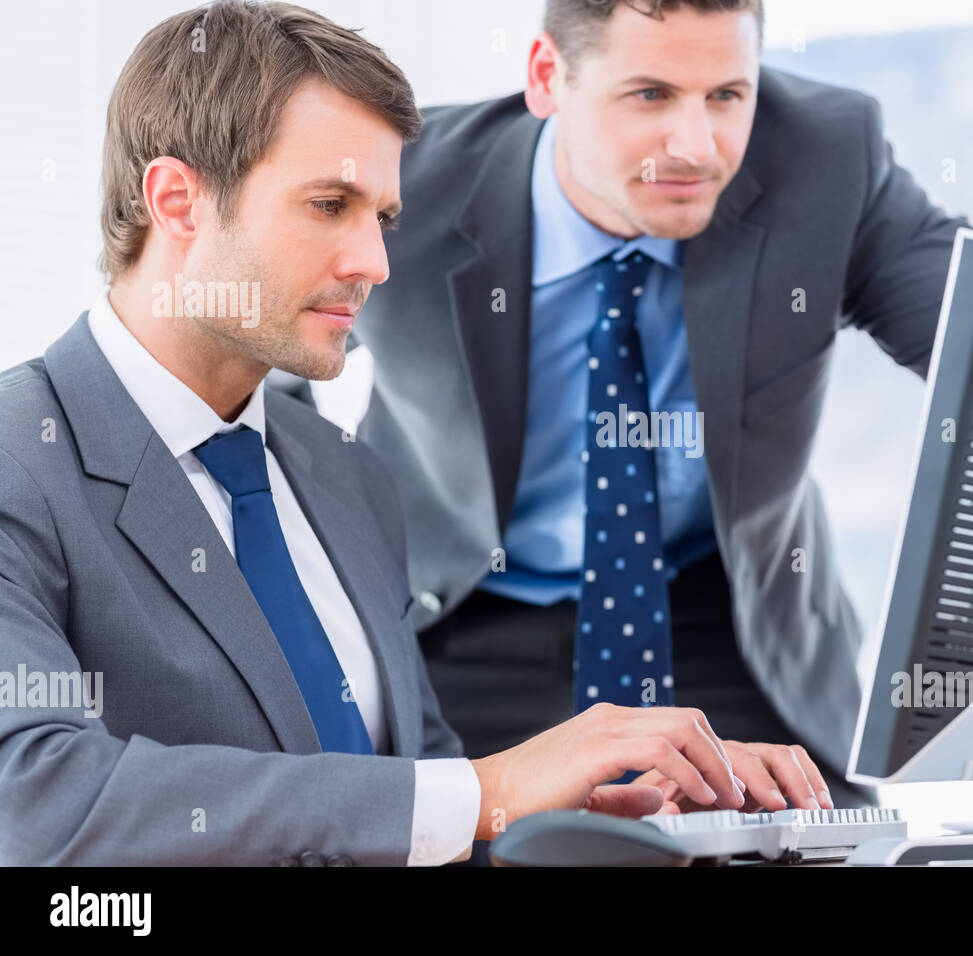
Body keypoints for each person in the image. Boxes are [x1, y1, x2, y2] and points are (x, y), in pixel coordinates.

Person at [0, 0, 830, 867]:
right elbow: (34, 803)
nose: (375, 264)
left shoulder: (345, 472)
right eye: (329, 204)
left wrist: (582, 814)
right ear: (178, 202)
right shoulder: (22, 463)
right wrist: (489, 792)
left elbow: (422, 803)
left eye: (384, 218)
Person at [351, 0, 969, 805]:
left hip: (726, 615)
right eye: (649, 95)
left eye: (727, 95)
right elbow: (256, 381)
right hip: (463, 615)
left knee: (812, 847)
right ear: (548, 77)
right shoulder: (401, 187)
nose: (696, 146)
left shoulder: (825, 159)